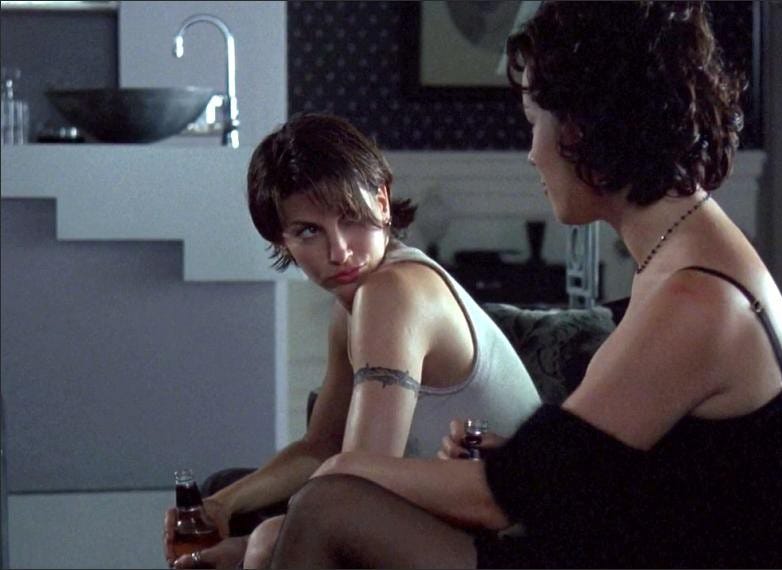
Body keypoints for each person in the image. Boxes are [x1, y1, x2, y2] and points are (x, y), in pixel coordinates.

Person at [265, 1, 782, 568]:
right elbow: (623, 470)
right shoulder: (682, 261)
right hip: (607, 544)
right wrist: (516, 460)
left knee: (330, 504)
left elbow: (495, 501)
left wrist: (346, 465)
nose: (531, 154)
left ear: (583, 128)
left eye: (533, 122)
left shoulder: (696, 298)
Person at [162, 113, 542, 569]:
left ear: (381, 202)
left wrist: (245, 549)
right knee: (229, 497)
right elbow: (321, 447)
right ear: (282, 242)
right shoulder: (353, 306)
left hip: (522, 544)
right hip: (455, 528)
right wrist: (222, 505)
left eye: (351, 218)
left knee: (265, 541)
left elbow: (350, 493)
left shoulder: (392, 292)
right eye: (308, 231)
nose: (339, 251)